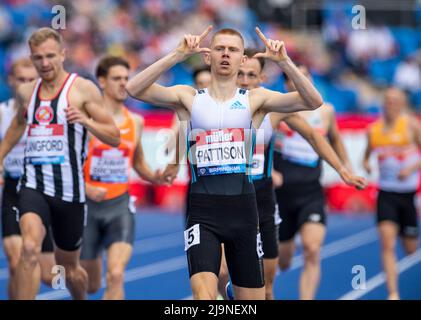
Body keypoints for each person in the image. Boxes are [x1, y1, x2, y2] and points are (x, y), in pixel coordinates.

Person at [127, 25, 362, 300]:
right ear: (208, 56)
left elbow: (313, 102)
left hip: (244, 211)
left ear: (242, 60)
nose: (226, 54)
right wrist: (176, 55)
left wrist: (284, 61)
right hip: (203, 210)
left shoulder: (256, 100)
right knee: (203, 296)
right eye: (219, 49)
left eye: (233, 50)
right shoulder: (188, 97)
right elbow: (134, 88)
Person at [222, 49, 367, 300]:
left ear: (261, 79)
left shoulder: (274, 109)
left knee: (266, 287)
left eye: (251, 75)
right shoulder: (216, 108)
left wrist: (343, 169)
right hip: (228, 197)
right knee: (223, 272)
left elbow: (313, 135)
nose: (245, 80)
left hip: (263, 198)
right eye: (240, 74)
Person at [0, 27, 120, 300]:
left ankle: (79, 297)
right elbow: (19, 123)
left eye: (50, 56)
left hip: (70, 192)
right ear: (31, 59)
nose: (44, 63)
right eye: (38, 58)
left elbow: (113, 136)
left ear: (63, 54)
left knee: (70, 268)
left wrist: (86, 121)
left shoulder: (83, 89)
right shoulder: (26, 92)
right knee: (28, 248)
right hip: (33, 185)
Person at [81, 55, 164, 300]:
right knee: (91, 284)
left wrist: (155, 177)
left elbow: (137, 162)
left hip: (119, 206)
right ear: (101, 81)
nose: (123, 84)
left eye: (127, 78)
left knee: (116, 274)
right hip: (87, 208)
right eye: (117, 78)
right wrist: (86, 188)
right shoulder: (88, 119)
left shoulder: (135, 121)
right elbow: (68, 163)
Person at [273, 64, 356, 300]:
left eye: (304, 76)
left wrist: (345, 166)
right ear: (287, 84)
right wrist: (270, 171)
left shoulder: (325, 111)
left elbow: (335, 140)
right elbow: (262, 143)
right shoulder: (278, 110)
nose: (299, 81)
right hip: (282, 194)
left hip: (311, 192)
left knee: (311, 248)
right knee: (284, 259)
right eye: (292, 78)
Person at [0, 58, 56, 299]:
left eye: (31, 80)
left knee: (50, 276)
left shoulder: (51, 113)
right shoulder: (2, 113)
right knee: (17, 261)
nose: (25, 84)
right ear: (10, 81)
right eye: (20, 79)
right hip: (13, 189)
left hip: (44, 189)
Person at [363, 87, 420, 300]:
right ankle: (393, 293)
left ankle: (410, 239)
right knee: (387, 244)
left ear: (402, 103)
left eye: (395, 101)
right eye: (387, 100)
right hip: (386, 193)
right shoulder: (374, 130)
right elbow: (366, 156)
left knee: (411, 249)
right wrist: (367, 164)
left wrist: (411, 168)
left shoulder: (412, 126)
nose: (390, 104)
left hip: (407, 195)